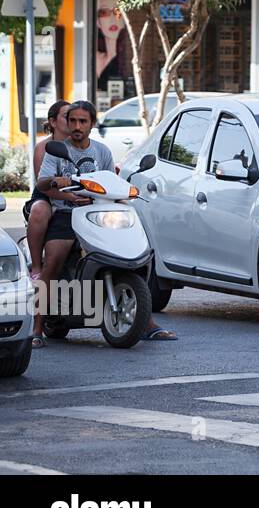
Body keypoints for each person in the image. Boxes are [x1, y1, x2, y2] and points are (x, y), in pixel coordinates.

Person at [32, 100, 177, 346]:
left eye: (83, 121)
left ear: (92, 124)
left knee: (138, 252)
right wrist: (64, 188)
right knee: (54, 260)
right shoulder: (55, 150)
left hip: (98, 215)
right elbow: (42, 184)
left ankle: (146, 323)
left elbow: (111, 183)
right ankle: (36, 328)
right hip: (66, 214)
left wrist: (125, 196)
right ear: (67, 122)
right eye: (73, 120)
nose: (77, 126)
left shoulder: (102, 151)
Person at [25, 99, 71, 282]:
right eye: (67, 117)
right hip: (47, 195)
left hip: (78, 194)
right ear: (53, 122)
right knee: (39, 211)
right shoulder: (42, 148)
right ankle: (37, 267)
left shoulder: (82, 144)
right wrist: (69, 197)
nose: (73, 121)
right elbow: (43, 184)